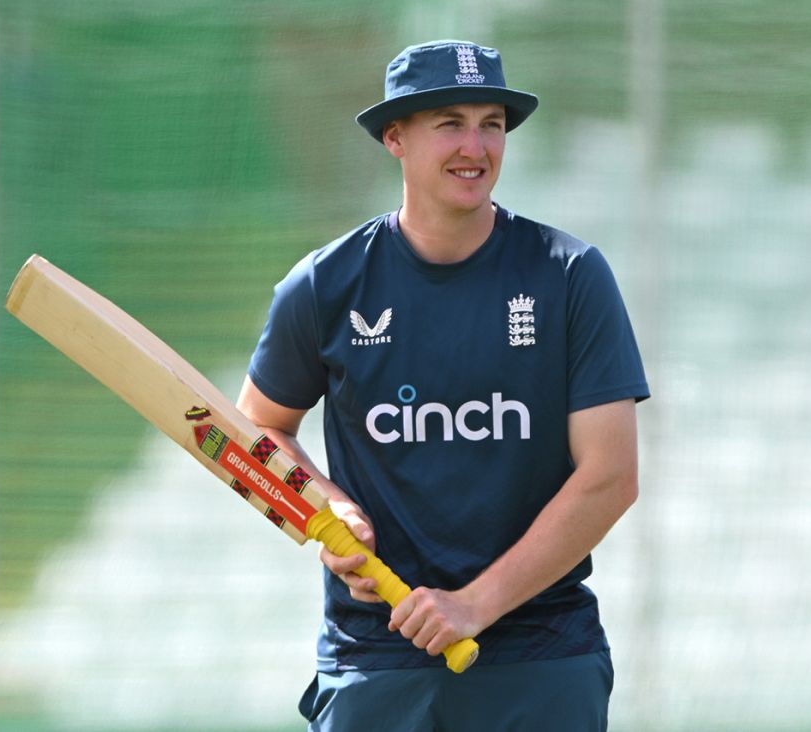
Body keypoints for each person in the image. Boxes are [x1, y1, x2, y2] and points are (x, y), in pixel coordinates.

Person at [236, 39, 650, 731]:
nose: (476, 145)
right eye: (450, 122)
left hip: (541, 658)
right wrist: (325, 508)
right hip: (377, 657)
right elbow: (256, 431)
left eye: (492, 123)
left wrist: (475, 604)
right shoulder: (324, 284)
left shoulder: (570, 275)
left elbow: (611, 476)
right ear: (395, 137)